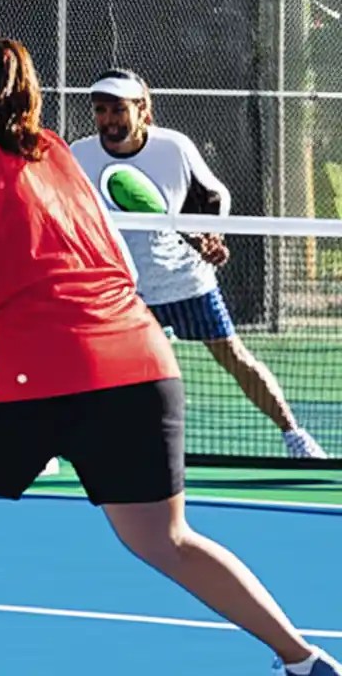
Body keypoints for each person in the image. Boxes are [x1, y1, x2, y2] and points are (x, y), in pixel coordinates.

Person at [0, 0, 340, 676]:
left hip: (38, 368)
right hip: (141, 356)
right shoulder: (49, 146)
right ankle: (305, 659)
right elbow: (85, 257)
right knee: (164, 537)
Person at [69, 68, 327, 459]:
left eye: (118, 109)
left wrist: (212, 235)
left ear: (143, 111)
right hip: (124, 288)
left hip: (185, 280)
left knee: (233, 356)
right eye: (101, 110)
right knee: (88, 364)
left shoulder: (173, 148)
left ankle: (294, 436)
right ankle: (62, 441)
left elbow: (213, 195)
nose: (109, 119)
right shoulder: (80, 155)